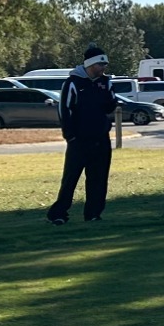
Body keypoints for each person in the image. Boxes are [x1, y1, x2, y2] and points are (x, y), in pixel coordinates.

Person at [49, 45, 117, 224]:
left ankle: (93, 214)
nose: (103, 68)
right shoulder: (73, 83)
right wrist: (69, 135)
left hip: (101, 139)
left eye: (105, 65)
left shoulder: (105, 82)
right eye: (100, 65)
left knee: (98, 179)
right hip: (79, 140)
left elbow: (109, 106)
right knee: (71, 178)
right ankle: (58, 214)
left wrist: (111, 98)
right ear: (91, 64)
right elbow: (65, 110)